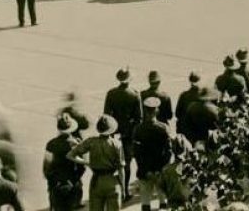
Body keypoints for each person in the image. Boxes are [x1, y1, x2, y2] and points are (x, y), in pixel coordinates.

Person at [67, 115, 125, 211]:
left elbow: (70, 155)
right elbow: (121, 168)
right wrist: (122, 188)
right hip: (112, 181)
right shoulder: (117, 144)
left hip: (96, 181)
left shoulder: (91, 142)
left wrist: (87, 162)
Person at [102, 68, 142, 200]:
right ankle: (125, 190)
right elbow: (139, 118)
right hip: (128, 134)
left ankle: (115, 190)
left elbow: (107, 115)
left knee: (112, 162)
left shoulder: (111, 94)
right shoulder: (135, 94)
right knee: (127, 163)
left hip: (114, 132)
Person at [131, 97, 172, 210]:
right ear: (157, 111)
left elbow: (136, 153)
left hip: (145, 170)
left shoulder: (138, 129)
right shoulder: (164, 128)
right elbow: (168, 152)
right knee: (163, 200)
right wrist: (161, 169)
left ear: (145, 111)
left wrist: (146, 170)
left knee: (145, 202)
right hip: (160, 170)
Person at [43, 114, 83, 211]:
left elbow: (46, 167)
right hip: (72, 184)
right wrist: (75, 180)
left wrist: (52, 181)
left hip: (56, 184)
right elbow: (82, 166)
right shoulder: (76, 143)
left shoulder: (51, 144)